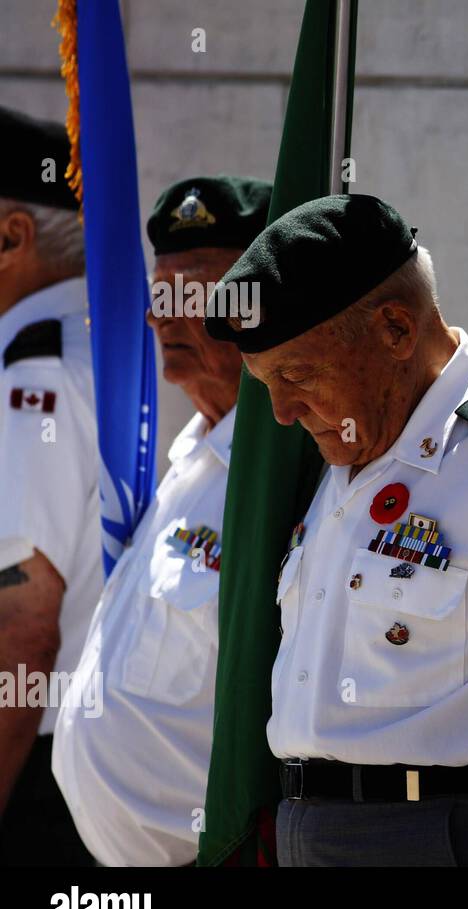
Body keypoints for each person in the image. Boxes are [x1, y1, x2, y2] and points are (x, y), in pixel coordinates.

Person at [205, 193, 468, 866]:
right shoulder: (343, 454)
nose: (281, 412)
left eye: (297, 375)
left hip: (438, 837)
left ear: (395, 330)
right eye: (265, 384)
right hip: (303, 834)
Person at [52, 176, 271, 866]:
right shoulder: (194, 458)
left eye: (193, 292)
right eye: (159, 291)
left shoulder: (279, 484)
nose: (160, 317)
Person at [0, 105, 97, 866]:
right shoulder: (115, 349)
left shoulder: (35, 376)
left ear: (11, 239)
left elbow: (21, 632)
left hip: (34, 768)